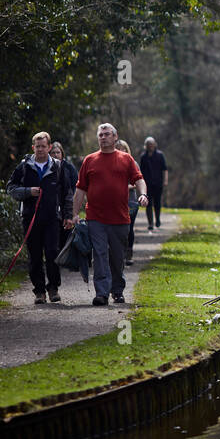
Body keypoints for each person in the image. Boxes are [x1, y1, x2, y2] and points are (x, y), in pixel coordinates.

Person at [72, 123, 147, 306]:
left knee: (117, 256)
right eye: (100, 135)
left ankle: (118, 290)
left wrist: (143, 194)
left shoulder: (126, 159)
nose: (103, 137)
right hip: (95, 217)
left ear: (115, 137)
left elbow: (139, 179)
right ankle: (102, 293)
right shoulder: (89, 160)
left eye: (107, 134)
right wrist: (74, 213)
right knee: (99, 254)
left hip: (120, 217)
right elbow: (80, 189)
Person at [7, 131, 75, 304]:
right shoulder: (24, 166)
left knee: (52, 252)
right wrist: (28, 192)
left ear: (49, 147)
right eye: (37, 146)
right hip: (30, 218)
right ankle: (39, 291)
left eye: (44, 146)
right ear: (33, 148)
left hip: (53, 218)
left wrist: (68, 215)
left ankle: (53, 288)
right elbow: (11, 189)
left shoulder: (58, 167)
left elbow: (67, 193)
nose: (40, 149)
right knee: (34, 255)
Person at [51, 141, 87, 284]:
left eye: (57, 152)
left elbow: (75, 186)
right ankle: (57, 261)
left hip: (67, 204)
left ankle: (68, 259)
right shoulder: (48, 168)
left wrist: (73, 208)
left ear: (62, 154)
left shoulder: (68, 167)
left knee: (67, 235)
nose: (55, 155)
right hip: (53, 208)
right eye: (53, 152)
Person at [139, 137, 169, 232]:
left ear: (154, 145)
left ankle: (158, 220)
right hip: (147, 184)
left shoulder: (160, 155)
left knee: (157, 202)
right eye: (148, 145)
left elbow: (165, 169)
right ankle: (150, 223)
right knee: (148, 204)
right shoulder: (143, 157)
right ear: (146, 146)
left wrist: (165, 180)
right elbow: (140, 171)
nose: (150, 146)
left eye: (151, 144)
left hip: (158, 183)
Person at [116, 139, 138, 265]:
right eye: (118, 148)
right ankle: (119, 254)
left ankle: (128, 253)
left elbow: (137, 182)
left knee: (128, 228)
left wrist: (124, 186)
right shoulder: (112, 163)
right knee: (117, 229)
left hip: (130, 201)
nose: (120, 151)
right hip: (116, 202)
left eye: (122, 148)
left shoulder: (132, 163)